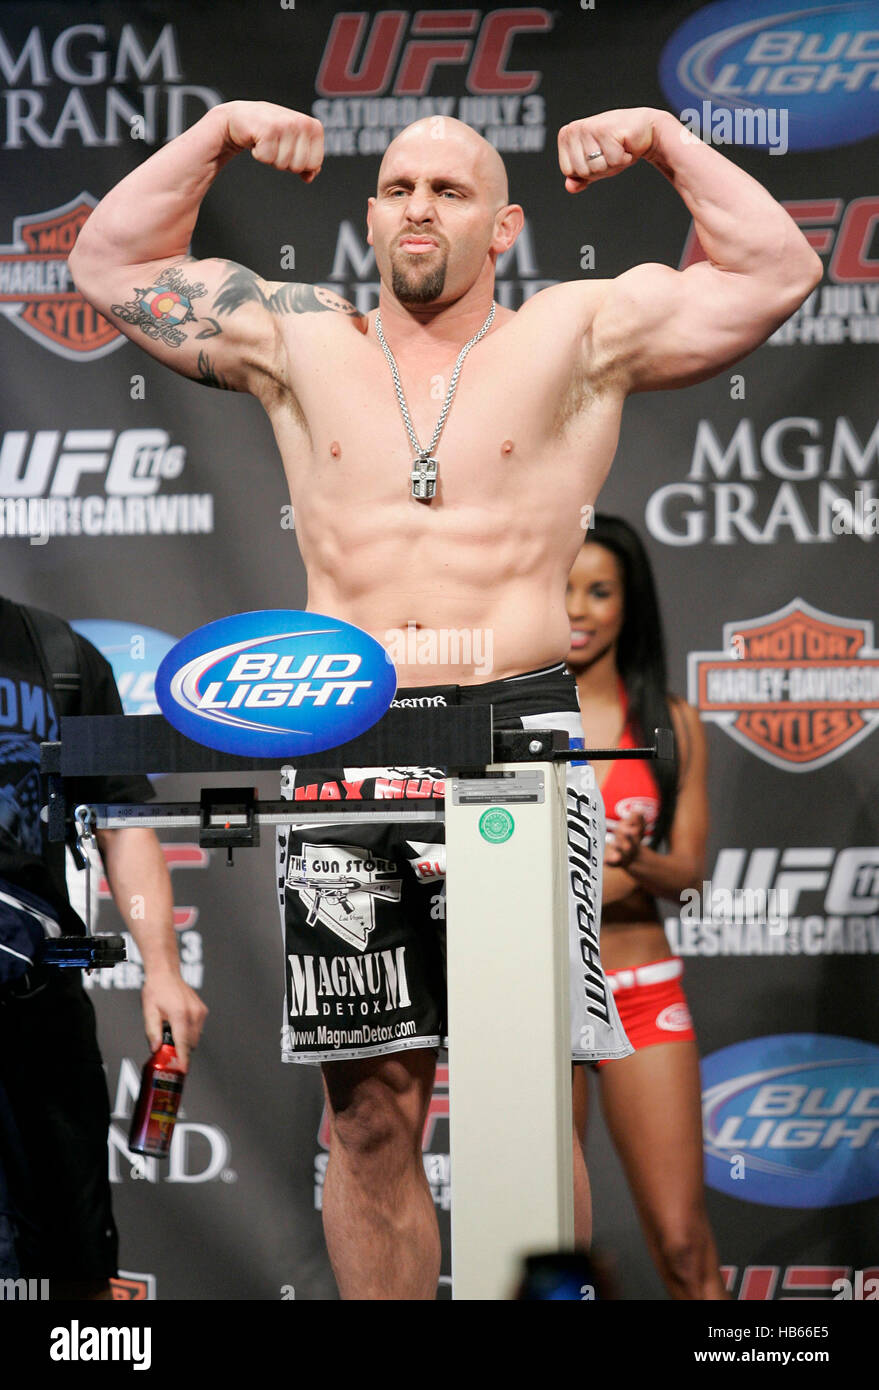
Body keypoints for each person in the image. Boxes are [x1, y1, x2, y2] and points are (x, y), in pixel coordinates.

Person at [68, 102, 821, 1298]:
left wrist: (668, 142)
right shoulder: (299, 338)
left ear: (507, 225)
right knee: (368, 1114)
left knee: (528, 1104)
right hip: (347, 748)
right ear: (370, 213)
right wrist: (212, 134)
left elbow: (781, 267)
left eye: (451, 191)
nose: (419, 207)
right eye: (400, 187)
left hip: (514, 738)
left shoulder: (574, 333)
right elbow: (108, 262)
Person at [0, 595, 206, 1297]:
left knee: (75, 1267)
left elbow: (122, 819)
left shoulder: (58, 654)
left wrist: (163, 970)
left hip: (37, 1015)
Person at [566, 515, 726, 1298]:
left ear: (629, 605)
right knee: (549, 1251)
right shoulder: (504, 723)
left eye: (598, 590)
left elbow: (689, 876)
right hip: (539, 1000)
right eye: (560, 588)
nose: (576, 609)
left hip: (641, 990)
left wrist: (635, 860)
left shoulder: (671, 724)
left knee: (682, 1244)